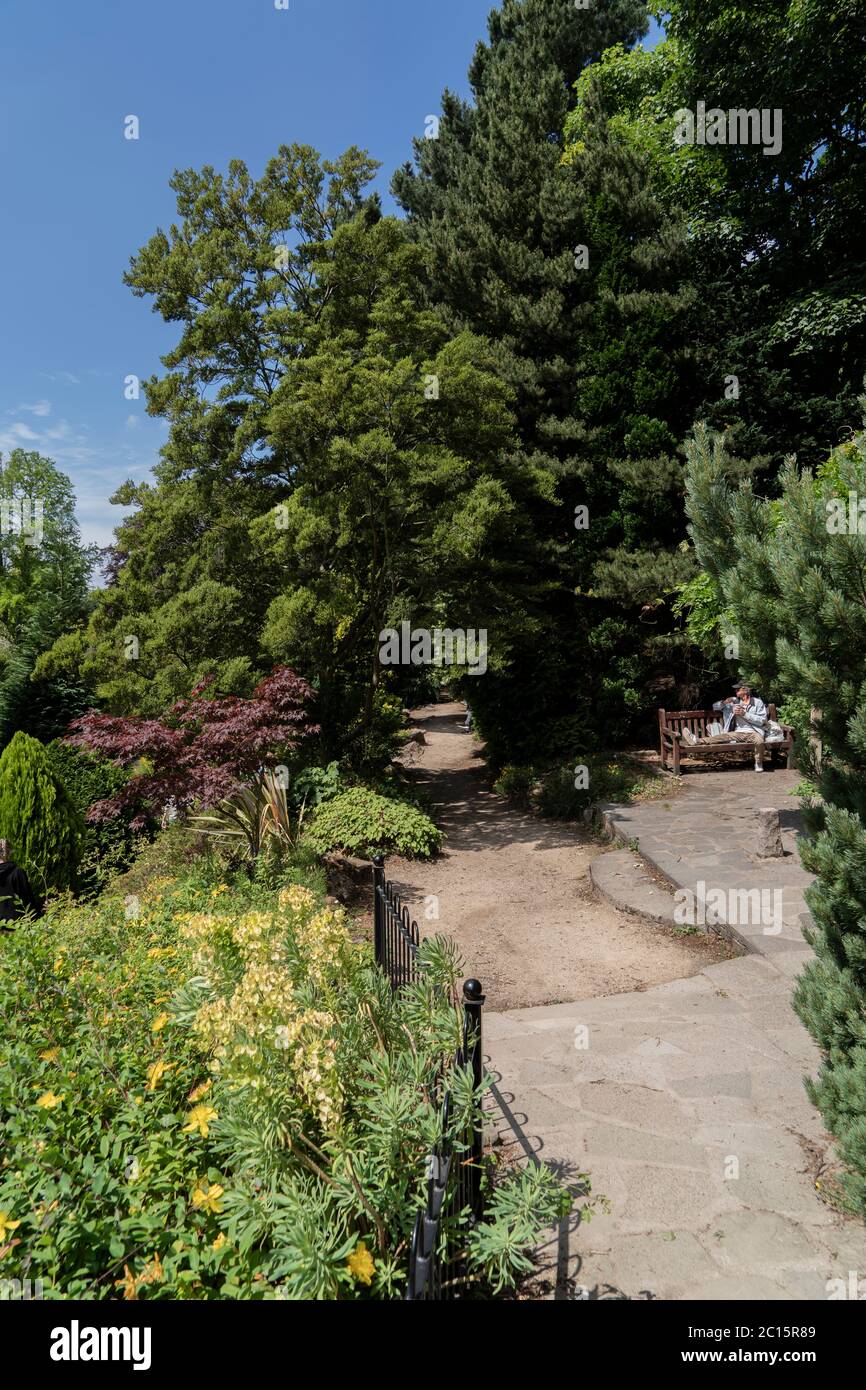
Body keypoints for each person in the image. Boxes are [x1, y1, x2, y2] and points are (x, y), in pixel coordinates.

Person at [680, 684, 768, 772]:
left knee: (759, 741)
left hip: (754, 732)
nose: (735, 691)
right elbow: (715, 706)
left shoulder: (757, 702)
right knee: (722, 737)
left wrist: (744, 714)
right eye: (735, 689)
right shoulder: (735, 702)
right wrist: (725, 702)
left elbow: (762, 720)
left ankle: (758, 762)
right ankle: (697, 741)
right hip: (738, 732)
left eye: (738, 689)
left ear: (746, 690)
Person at [0, 839, 41, 925]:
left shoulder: (17, 872)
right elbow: (27, 900)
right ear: (9, 852)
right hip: (17, 926)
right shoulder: (17, 872)